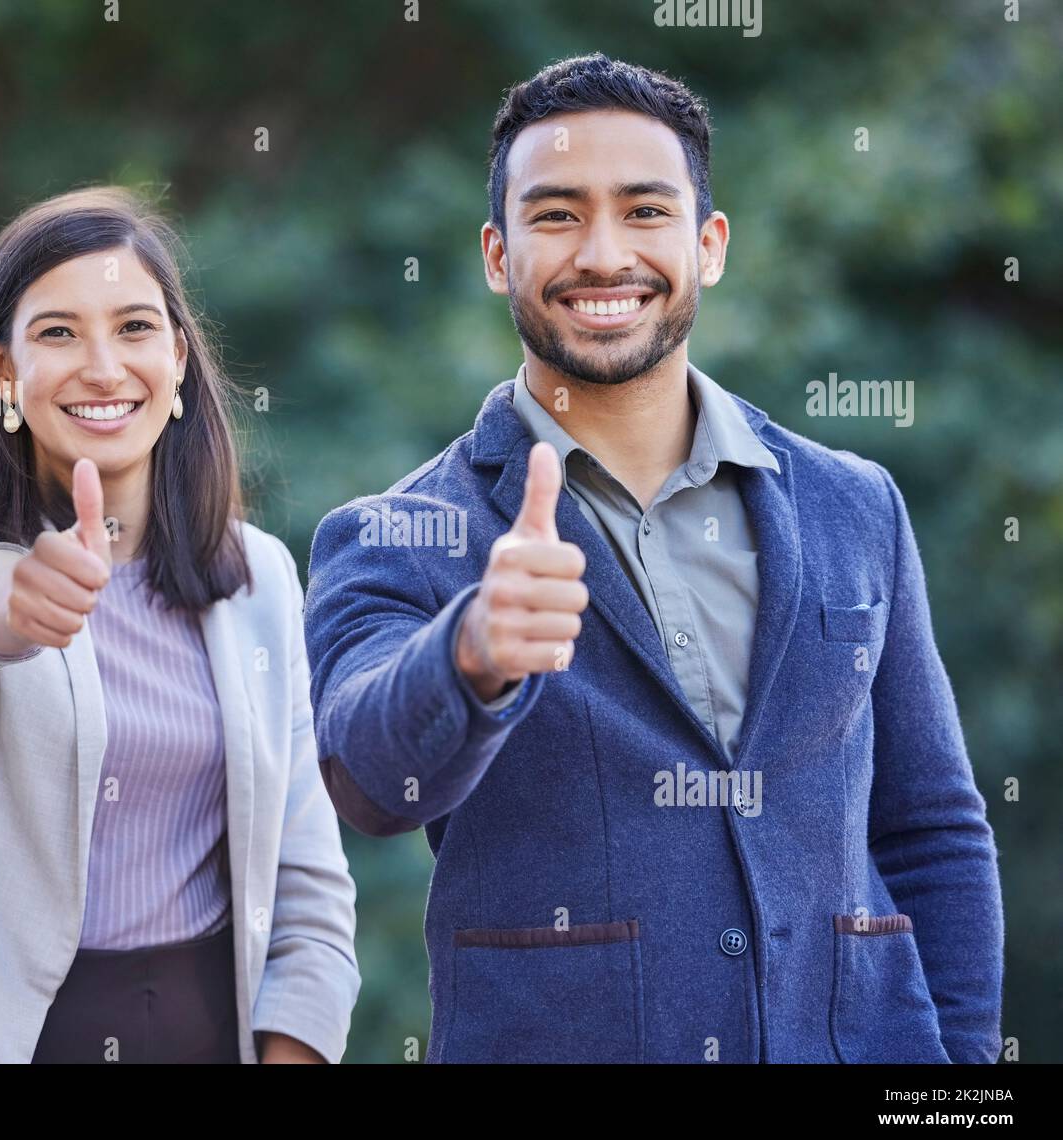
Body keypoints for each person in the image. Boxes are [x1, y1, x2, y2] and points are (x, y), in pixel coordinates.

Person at [303, 54, 1003, 1063]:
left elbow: (931, 826)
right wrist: (472, 655)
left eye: (643, 211)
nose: (602, 253)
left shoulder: (855, 506)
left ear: (706, 244)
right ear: (497, 255)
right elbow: (364, 780)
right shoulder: (400, 532)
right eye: (555, 215)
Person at [0, 187, 359, 1064]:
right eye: (59, 332)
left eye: (136, 328)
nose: (105, 367)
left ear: (180, 358)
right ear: (0, 368)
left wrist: (292, 1051)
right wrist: (12, 596)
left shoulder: (259, 576)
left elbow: (307, 886)